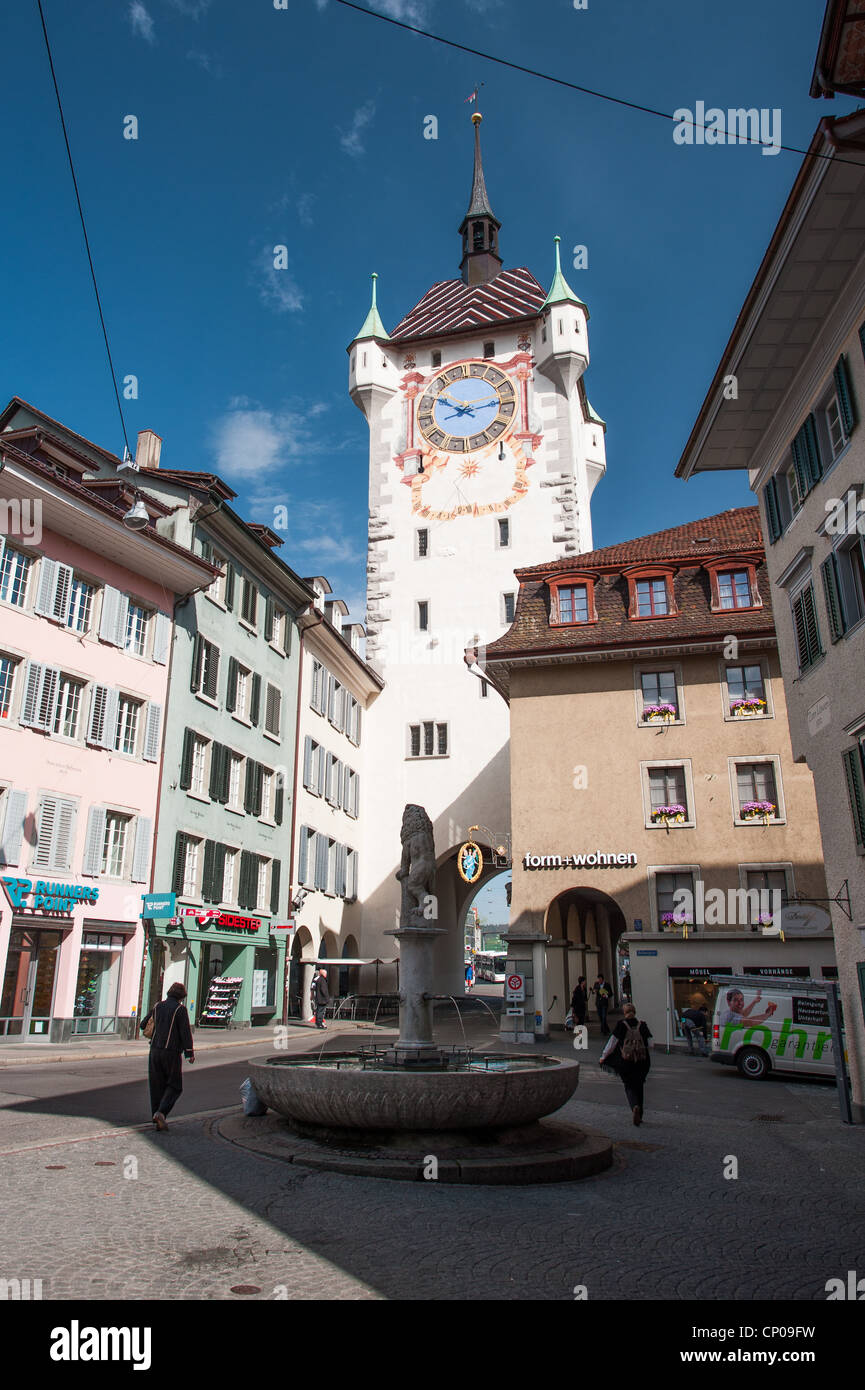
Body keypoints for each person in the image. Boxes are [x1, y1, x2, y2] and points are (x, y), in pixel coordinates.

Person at [141, 982, 195, 1131]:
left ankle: (156, 1115)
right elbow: (185, 1032)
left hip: (155, 1050)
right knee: (175, 1085)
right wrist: (189, 1052)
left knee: (156, 1084)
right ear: (181, 996)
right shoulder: (180, 1009)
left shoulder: (158, 1006)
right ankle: (161, 1112)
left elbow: (143, 1024)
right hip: (171, 1052)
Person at [603, 1002, 652, 1126]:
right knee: (639, 1086)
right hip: (642, 1061)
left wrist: (603, 1057)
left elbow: (611, 1044)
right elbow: (651, 1044)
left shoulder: (621, 1025)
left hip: (626, 1061)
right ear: (634, 1012)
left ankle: (634, 1106)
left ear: (624, 1013)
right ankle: (640, 1114)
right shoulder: (642, 1025)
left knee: (629, 1086)